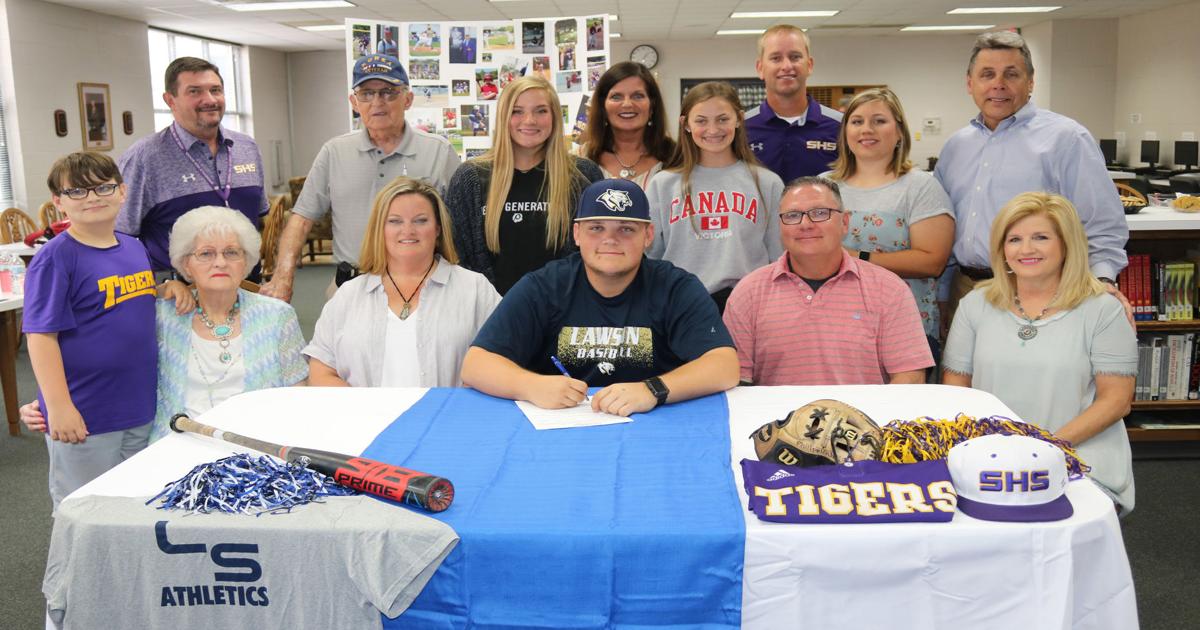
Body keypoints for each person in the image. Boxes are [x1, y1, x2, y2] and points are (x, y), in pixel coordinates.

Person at [22, 205, 308, 445]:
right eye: (206, 254)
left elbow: (299, 393)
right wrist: (49, 402)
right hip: (176, 445)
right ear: (186, 265)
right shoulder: (161, 316)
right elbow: (112, 363)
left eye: (232, 252)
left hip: (257, 445)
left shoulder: (277, 316)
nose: (220, 262)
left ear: (246, 261)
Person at [461, 178, 739, 416]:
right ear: (577, 233)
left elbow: (724, 365)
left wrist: (652, 390)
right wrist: (530, 385)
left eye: (626, 229)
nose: (610, 239)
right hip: (562, 425)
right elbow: (476, 364)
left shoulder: (676, 287)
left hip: (653, 424)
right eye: (596, 228)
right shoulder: (544, 286)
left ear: (648, 235)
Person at [942, 192, 1137, 514]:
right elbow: (956, 391)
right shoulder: (975, 304)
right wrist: (994, 453)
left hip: (1081, 464)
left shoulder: (1103, 309)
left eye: (1041, 237)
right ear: (1001, 249)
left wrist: (1043, 449)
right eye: (1014, 239)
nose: (1026, 249)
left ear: (1067, 244)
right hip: (991, 461)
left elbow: (1116, 401)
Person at [22, 152, 189, 508]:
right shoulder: (55, 259)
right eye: (77, 191)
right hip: (86, 413)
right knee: (86, 511)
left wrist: (167, 288)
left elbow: (129, 296)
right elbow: (41, 337)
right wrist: (59, 406)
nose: (92, 198)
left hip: (139, 406)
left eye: (103, 187)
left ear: (122, 191)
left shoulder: (133, 247)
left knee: (135, 506)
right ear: (58, 201)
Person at [934, 31, 1128, 314]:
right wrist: (942, 293)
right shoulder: (956, 147)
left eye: (1011, 74)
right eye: (987, 74)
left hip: (1043, 290)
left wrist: (1102, 283)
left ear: (1031, 82)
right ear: (970, 83)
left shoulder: (1066, 139)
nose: (998, 84)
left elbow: (1102, 223)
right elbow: (946, 230)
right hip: (965, 288)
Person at [261, 54, 460, 303]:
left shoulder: (439, 152)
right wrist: (282, 277)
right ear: (354, 102)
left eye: (388, 92)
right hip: (350, 288)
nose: (377, 102)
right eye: (366, 93)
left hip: (423, 288)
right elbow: (301, 219)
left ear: (407, 99)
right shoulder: (334, 152)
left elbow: (462, 226)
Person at [723, 176, 934, 386]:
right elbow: (737, 382)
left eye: (820, 213)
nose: (805, 224)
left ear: (845, 223)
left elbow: (910, 377)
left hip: (864, 410)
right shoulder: (748, 293)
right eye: (792, 215)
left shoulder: (889, 289)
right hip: (776, 410)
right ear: (780, 226)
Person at [304, 177, 499, 387]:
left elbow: (504, 359)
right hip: (365, 411)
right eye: (395, 221)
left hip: (448, 409)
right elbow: (321, 370)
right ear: (379, 229)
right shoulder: (348, 295)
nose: (408, 230)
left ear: (438, 229)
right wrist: (363, 407)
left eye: (420, 220)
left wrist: (459, 404)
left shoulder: (475, 289)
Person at [445, 76, 603, 295]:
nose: (529, 120)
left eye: (541, 111)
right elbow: (457, 256)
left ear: (555, 116)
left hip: (564, 309)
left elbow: (597, 251)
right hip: (490, 310)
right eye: (517, 111)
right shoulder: (470, 178)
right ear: (503, 117)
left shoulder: (583, 175)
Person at [823, 88, 954, 347]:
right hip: (835, 327)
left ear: (899, 132)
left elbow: (932, 262)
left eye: (879, 121)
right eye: (857, 121)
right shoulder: (823, 186)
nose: (866, 129)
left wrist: (857, 258)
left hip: (903, 327)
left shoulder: (920, 187)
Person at [118, 57, 268, 279]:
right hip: (179, 291)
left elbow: (259, 219)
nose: (210, 100)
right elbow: (120, 237)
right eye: (195, 91)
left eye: (215, 90)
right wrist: (157, 285)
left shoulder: (247, 147)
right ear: (170, 100)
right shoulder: (144, 158)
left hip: (246, 286)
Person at [645, 81, 783, 312]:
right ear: (685, 124)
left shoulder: (768, 183)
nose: (712, 129)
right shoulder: (662, 184)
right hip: (680, 305)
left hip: (748, 306)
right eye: (701, 121)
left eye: (722, 119)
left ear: (739, 119)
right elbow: (650, 257)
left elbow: (778, 257)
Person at [745, 25, 842, 184]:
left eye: (795, 57)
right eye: (776, 58)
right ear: (760, 68)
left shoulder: (841, 126)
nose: (786, 66)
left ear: (809, 65)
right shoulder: (740, 129)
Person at [578, 61, 676, 190]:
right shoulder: (578, 160)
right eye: (616, 97)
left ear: (652, 105)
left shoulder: (677, 158)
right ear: (603, 106)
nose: (627, 104)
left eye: (638, 96)